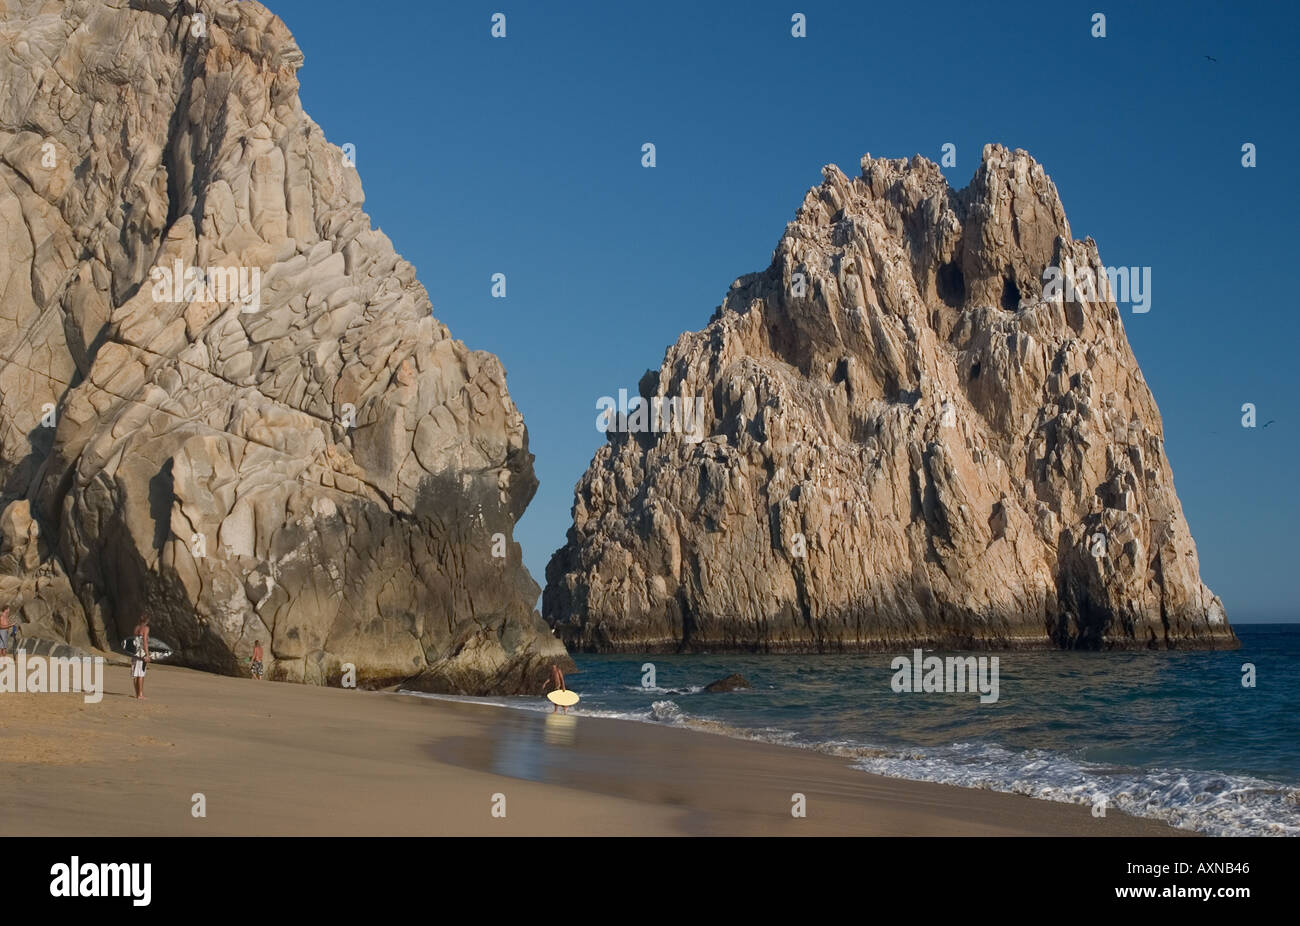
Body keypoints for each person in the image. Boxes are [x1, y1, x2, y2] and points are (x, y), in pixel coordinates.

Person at [131, 615, 151, 700]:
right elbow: (145, 642)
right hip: (141, 654)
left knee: (135, 674)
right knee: (141, 674)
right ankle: (140, 694)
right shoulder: (146, 628)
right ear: (147, 620)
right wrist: (147, 654)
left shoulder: (136, 628)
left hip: (134, 653)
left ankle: (137, 694)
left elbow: (134, 640)